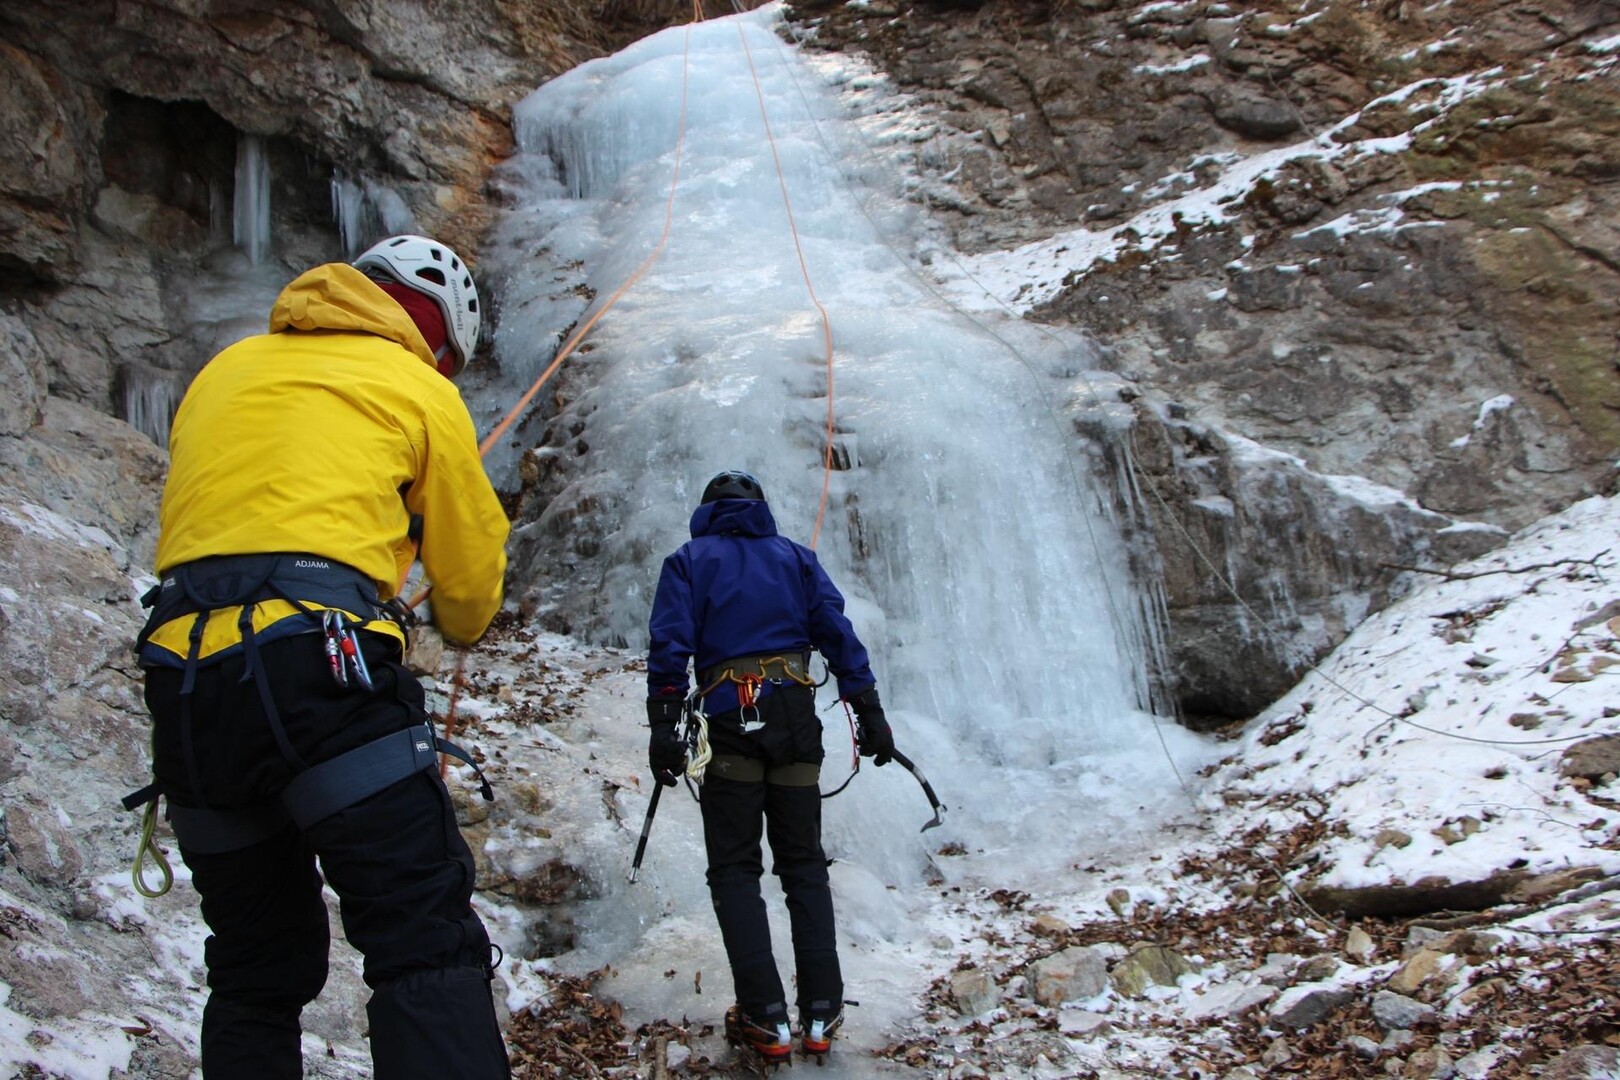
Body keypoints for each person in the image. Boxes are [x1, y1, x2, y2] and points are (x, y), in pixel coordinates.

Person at [128, 234, 512, 1078]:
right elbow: (470, 579)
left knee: (254, 967)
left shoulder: (225, 370)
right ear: (442, 338)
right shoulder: (419, 385)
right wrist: (452, 611)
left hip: (186, 686)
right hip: (320, 670)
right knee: (422, 938)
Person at [644, 469, 896, 1064]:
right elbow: (837, 633)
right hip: (795, 721)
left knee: (735, 870)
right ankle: (821, 1012)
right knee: (803, 865)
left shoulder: (688, 561)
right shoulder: (796, 558)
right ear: (759, 508)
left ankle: (765, 1016)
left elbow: (670, 646)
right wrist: (870, 713)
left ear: (708, 512)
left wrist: (663, 726)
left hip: (731, 721)